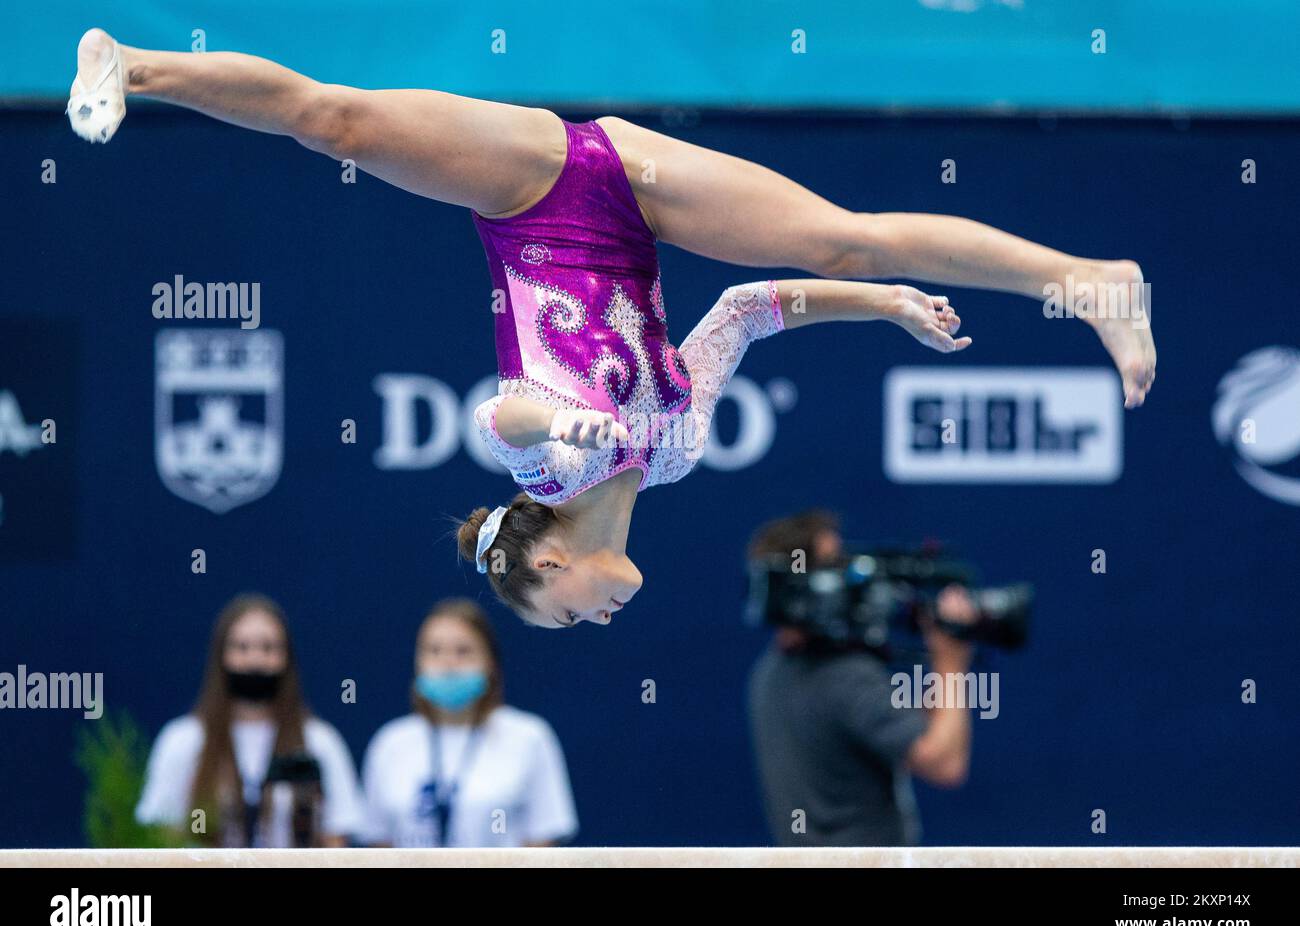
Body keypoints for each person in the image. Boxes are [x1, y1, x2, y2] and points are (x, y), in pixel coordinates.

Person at [69, 29, 1155, 628]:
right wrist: (881, 306)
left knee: (334, 118)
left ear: (544, 563)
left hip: (533, 193)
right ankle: (1090, 280)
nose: (599, 621)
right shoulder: (675, 455)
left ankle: (137, 67)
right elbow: (744, 307)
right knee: (845, 242)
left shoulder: (536, 474)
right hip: (636, 194)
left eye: (568, 617)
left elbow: (497, 409)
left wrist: (565, 426)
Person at [745, 511, 975, 846]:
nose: (849, 577)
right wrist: (952, 663)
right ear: (799, 584)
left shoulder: (769, 673)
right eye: (833, 565)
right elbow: (945, 762)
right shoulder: (845, 677)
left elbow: (893, 740)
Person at [135, 594, 365, 847]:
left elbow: (335, 842)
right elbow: (163, 839)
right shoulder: (183, 740)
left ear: (287, 658)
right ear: (220, 656)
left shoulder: (320, 741)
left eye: (268, 648)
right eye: (242, 647)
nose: (255, 660)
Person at [361, 599, 578, 847]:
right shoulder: (389, 743)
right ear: (417, 662)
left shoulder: (529, 737)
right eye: (433, 650)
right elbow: (378, 845)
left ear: (491, 664)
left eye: (463, 651)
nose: (448, 663)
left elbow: (542, 841)